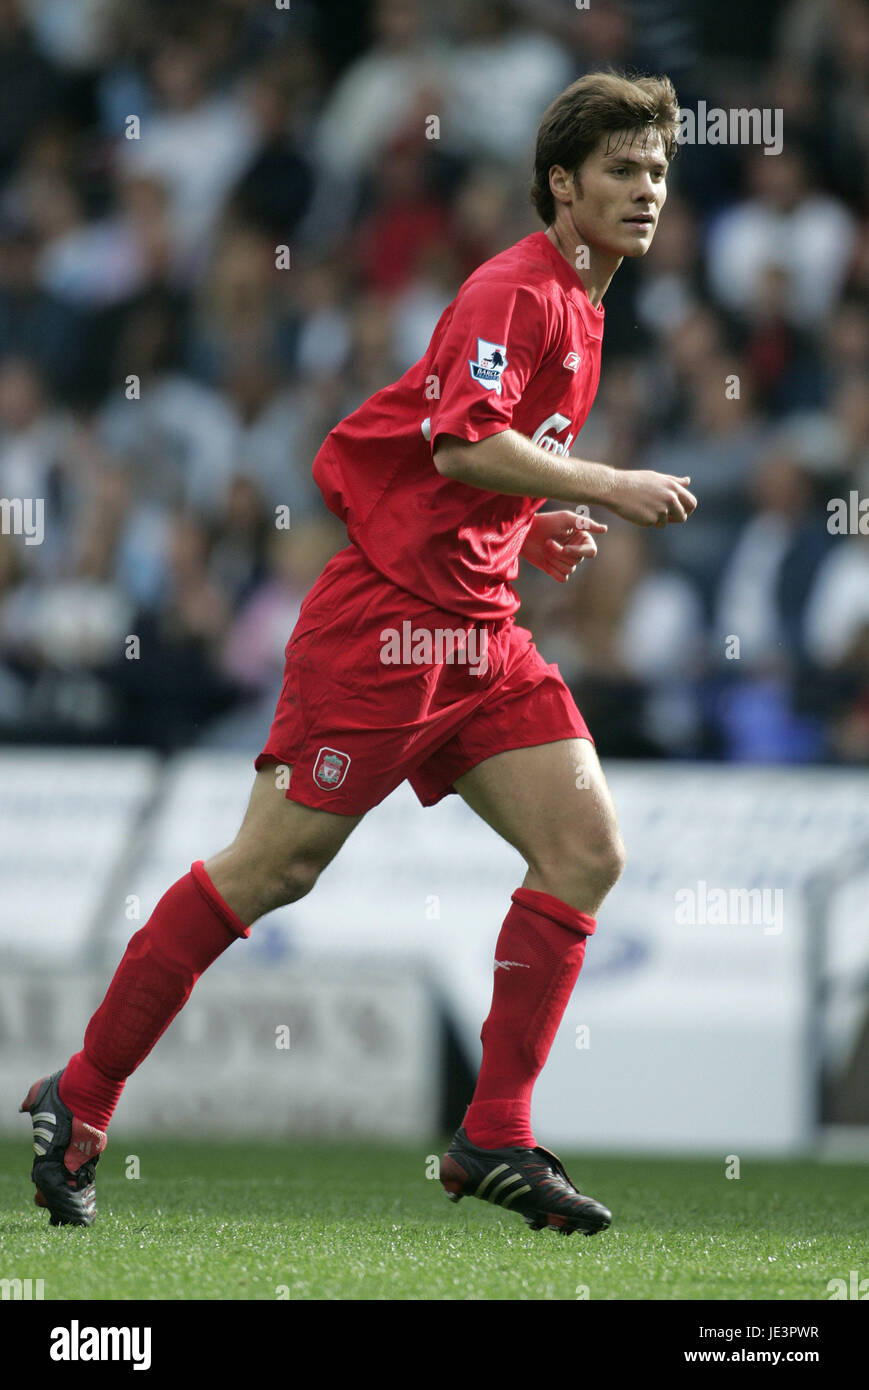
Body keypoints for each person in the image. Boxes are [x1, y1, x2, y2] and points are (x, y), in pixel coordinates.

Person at [21, 70, 695, 1237]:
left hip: (478, 629)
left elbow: (472, 462)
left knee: (583, 848)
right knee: (270, 870)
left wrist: (527, 525)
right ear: (560, 183)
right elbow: (457, 442)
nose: (645, 192)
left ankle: (493, 1132)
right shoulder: (517, 291)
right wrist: (602, 484)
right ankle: (78, 1099)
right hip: (383, 627)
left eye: (657, 172)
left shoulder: (584, 305)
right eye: (621, 171)